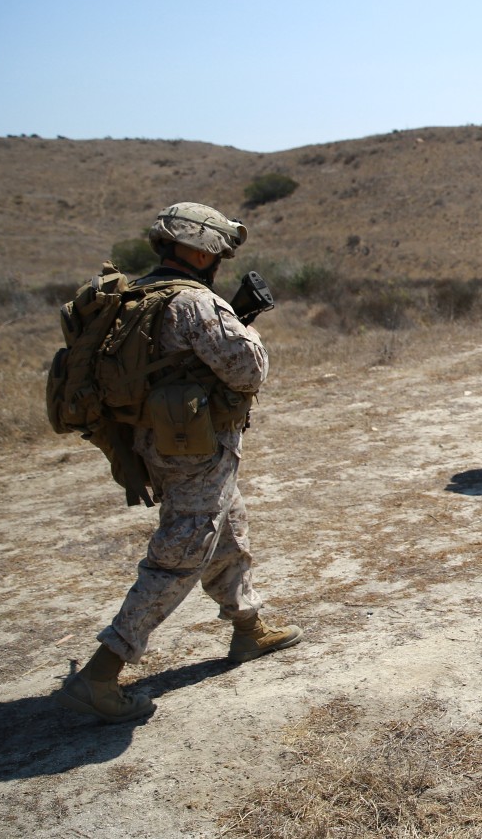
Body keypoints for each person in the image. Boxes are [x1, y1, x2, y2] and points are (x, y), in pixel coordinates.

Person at [55, 203, 301, 724]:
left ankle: (248, 628)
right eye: (216, 249)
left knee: (227, 528)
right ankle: (102, 672)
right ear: (197, 247)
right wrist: (242, 323)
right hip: (194, 446)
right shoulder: (192, 301)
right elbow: (247, 370)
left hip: (157, 440)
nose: (220, 259)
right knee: (183, 549)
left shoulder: (137, 296)